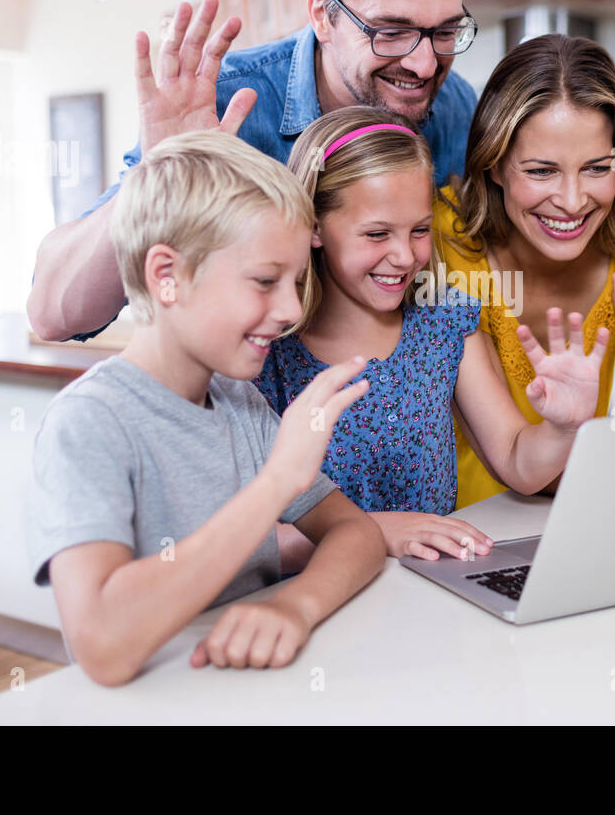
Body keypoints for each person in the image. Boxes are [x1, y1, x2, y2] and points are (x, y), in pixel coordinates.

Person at [28, 0, 479, 343]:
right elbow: (55, 316)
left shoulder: (455, 105)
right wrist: (160, 170)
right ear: (323, 16)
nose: (424, 65)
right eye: (390, 33)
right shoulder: (224, 101)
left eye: (444, 32)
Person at [27, 130, 385, 686]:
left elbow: (356, 534)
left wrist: (297, 607)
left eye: (295, 281)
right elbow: (102, 644)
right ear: (166, 276)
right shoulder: (89, 424)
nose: (291, 309)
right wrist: (276, 483)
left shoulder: (239, 403)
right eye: (265, 281)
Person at [255, 106, 608, 565]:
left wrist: (563, 428)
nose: (404, 256)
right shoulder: (267, 349)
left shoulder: (443, 325)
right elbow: (239, 541)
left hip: (429, 597)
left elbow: (518, 463)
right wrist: (371, 532)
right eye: (377, 234)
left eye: (420, 230)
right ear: (314, 227)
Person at [433, 34, 615, 508]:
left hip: (573, 525)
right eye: (541, 171)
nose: (572, 202)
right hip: (461, 536)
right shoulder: (443, 244)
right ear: (493, 164)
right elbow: (521, 468)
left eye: (595, 168)